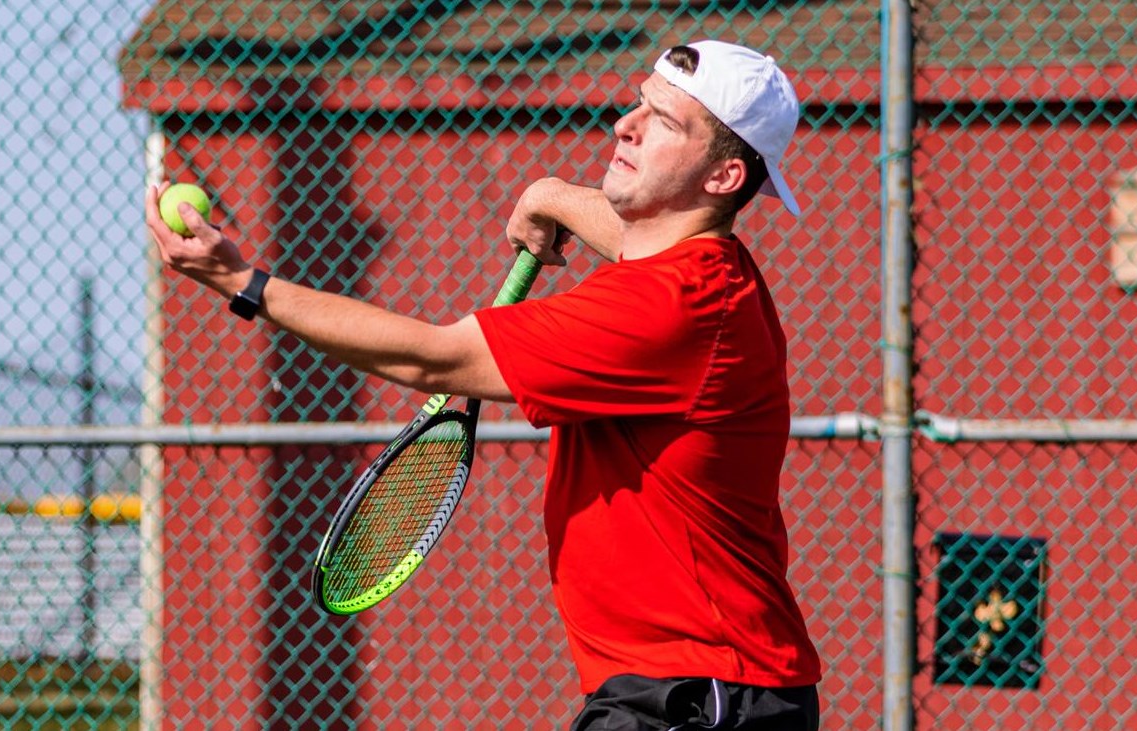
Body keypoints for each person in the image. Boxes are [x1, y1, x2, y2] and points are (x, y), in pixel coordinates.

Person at [146, 39, 820, 731]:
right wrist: (548, 195)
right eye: (638, 104)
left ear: (722, 176)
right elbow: (628, 236)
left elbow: (431, 358)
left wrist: (241, 283)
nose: (625, 125)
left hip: (696, 692)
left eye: (664, 123)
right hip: (700, 687)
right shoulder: (706, 266)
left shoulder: (666, 308)